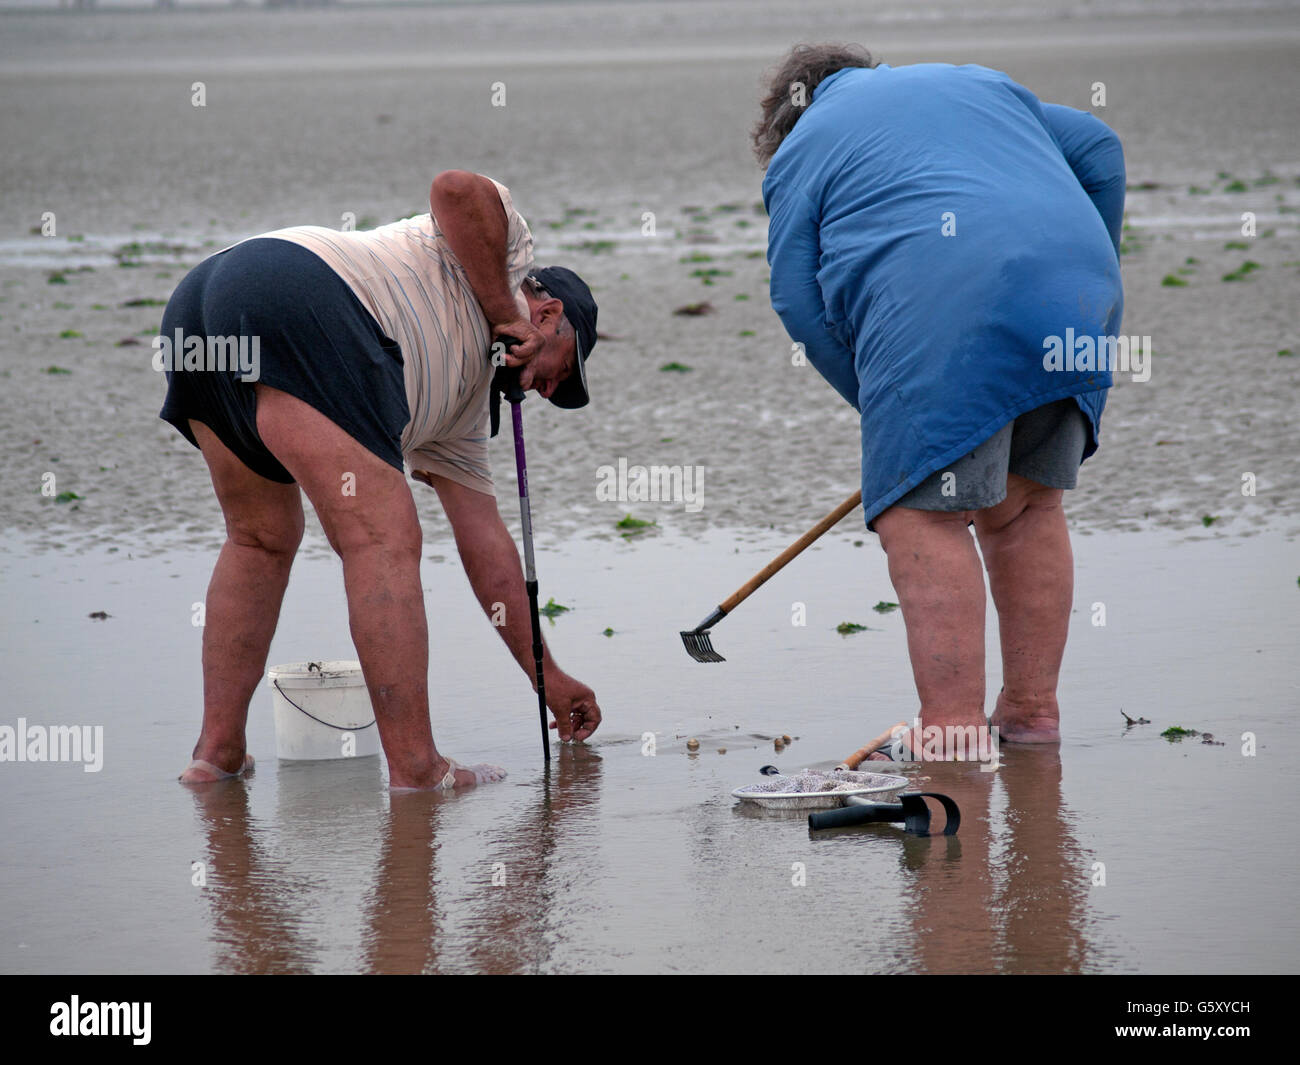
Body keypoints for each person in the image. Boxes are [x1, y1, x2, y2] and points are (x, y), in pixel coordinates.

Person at [161, 170, 603, 789]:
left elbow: (489, 551)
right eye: (561, 371)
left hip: (201, 307)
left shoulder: (462, 419)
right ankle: (419, 769)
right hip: (299, 287)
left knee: (259, 539)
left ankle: (216, 755)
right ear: (549, 314)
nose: (545, 389)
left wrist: (547, 677)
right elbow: (455, 187)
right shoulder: (507, 255)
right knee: (383, 539)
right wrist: (506, 312)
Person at [756, 45, 1125, 758]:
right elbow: (1101, 150)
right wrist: (1096, 274)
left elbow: (797, 302)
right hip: (1077, 296)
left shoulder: (799, 149)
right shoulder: (978, 82)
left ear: (784, 121)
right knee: (1024, 508)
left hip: (946, 301)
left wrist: (892, 414)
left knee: (923, 516)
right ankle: (1030, 716)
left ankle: (954, 731)